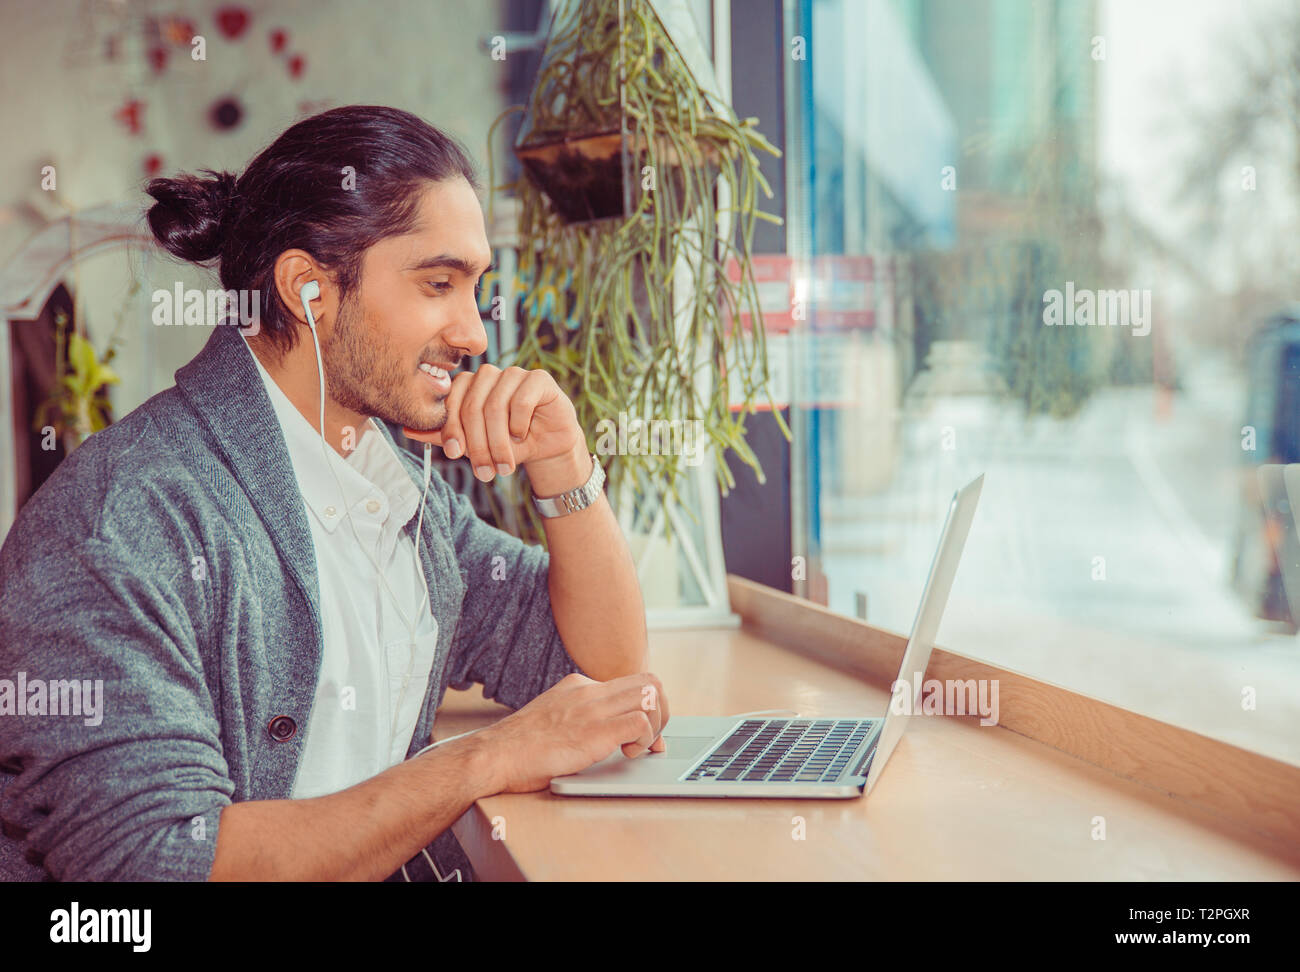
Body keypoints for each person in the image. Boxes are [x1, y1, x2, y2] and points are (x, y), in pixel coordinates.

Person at [0, 105, 669, 881]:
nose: (476, 332)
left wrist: (564, 464)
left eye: (474, 287)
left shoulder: (392, 484)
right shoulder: (119, 524)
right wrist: (484, 759)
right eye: (438, 283)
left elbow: (602, 669)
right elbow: (161, 868)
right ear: (308, 290)